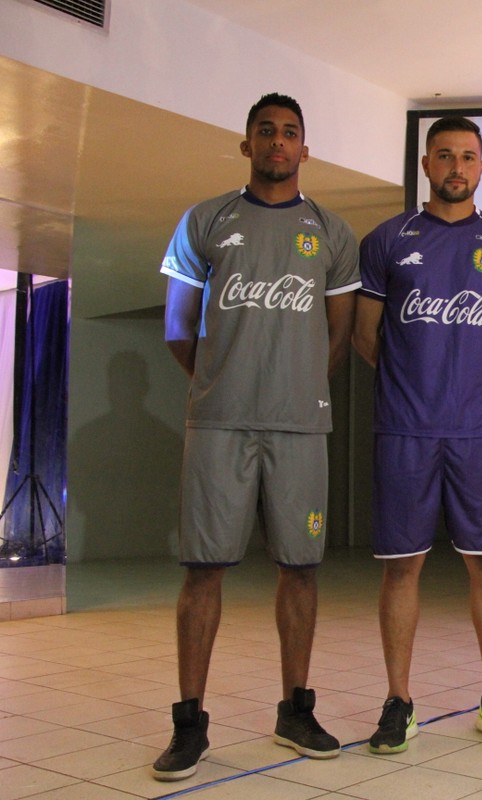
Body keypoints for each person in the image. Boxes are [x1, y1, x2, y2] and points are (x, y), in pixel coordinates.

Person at [153, 93, 359, 781]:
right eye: (265, 132)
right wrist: (224, 380)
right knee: (203, 569)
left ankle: (295, 709)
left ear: (305, 149)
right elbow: (180, 327)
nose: (278, 142)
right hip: (219, 423)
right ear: (247, 146)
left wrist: (292, 383)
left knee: (301, 567)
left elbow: (336, 333)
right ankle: (189, 723)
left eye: (290, 133)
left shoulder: (331, 232)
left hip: (300, 425)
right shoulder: (205, 219)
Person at [353, 116, 482, 752]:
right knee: (402, 566)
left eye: (469, 157)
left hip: (476, 433)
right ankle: (398, 701)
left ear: (481, 167)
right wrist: (414, 383)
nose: (457, 167)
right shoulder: (385, 239)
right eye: (445, 156)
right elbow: (364, 336)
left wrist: (467, 382)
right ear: (427, 165)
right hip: (404, 430)